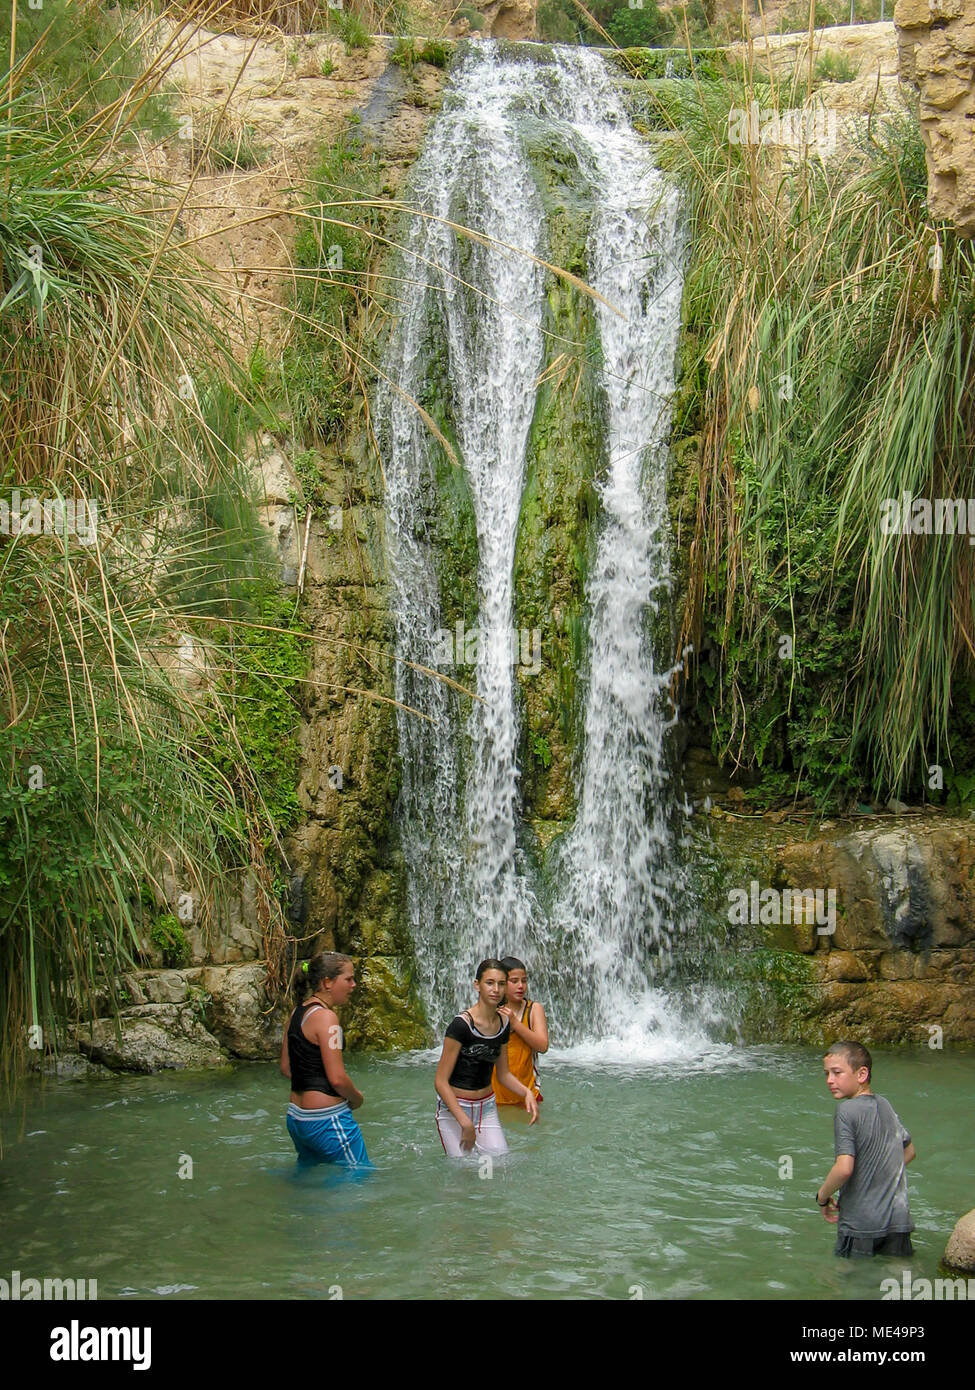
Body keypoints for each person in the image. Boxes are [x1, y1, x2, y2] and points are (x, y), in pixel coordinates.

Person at [816, 1039, 915, 1257]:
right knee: (895, 1285)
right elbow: (909, 1151)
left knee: (852, 1284)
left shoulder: (846, 1110)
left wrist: (822, 1197)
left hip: (860, 1224)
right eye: (826, 1074)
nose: (830, 1080)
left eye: (837, 1072)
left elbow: (844, 1168)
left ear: (861, 1075)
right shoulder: (886, 1105)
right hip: (898, 1223)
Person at [435, 958, 539, 1157]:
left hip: (486, 1108)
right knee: (463, 1170)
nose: (496, 990)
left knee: (496, 1167)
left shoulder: (504, 1023)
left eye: (501, 984)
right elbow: (440, 1081)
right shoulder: (461, 1025)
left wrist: (526, 1092)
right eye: (489, 983)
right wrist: (465, 1123)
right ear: (477, 985)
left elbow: (504, 1074)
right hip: (455, 1108)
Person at [279, 952, 371, 1169]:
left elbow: (285, 1068)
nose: (353, 985)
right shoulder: (327, 1018)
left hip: (297, 1119)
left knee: (309, 1176)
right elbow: (337, 1078)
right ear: (327, 982)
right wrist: (357, 1098)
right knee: (360, 1175)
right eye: (348, 979)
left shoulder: (296, 1013)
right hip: (327, 1120)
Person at [492, 955, 547, 1107]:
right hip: (494, 1099)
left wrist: (515, 1023)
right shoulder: (491, 1010)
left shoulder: (534, 1009)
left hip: (528, 1097)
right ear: (502, 983)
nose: (521, 986)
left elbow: (542, 1046)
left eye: (524, 981)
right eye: (514, 981)